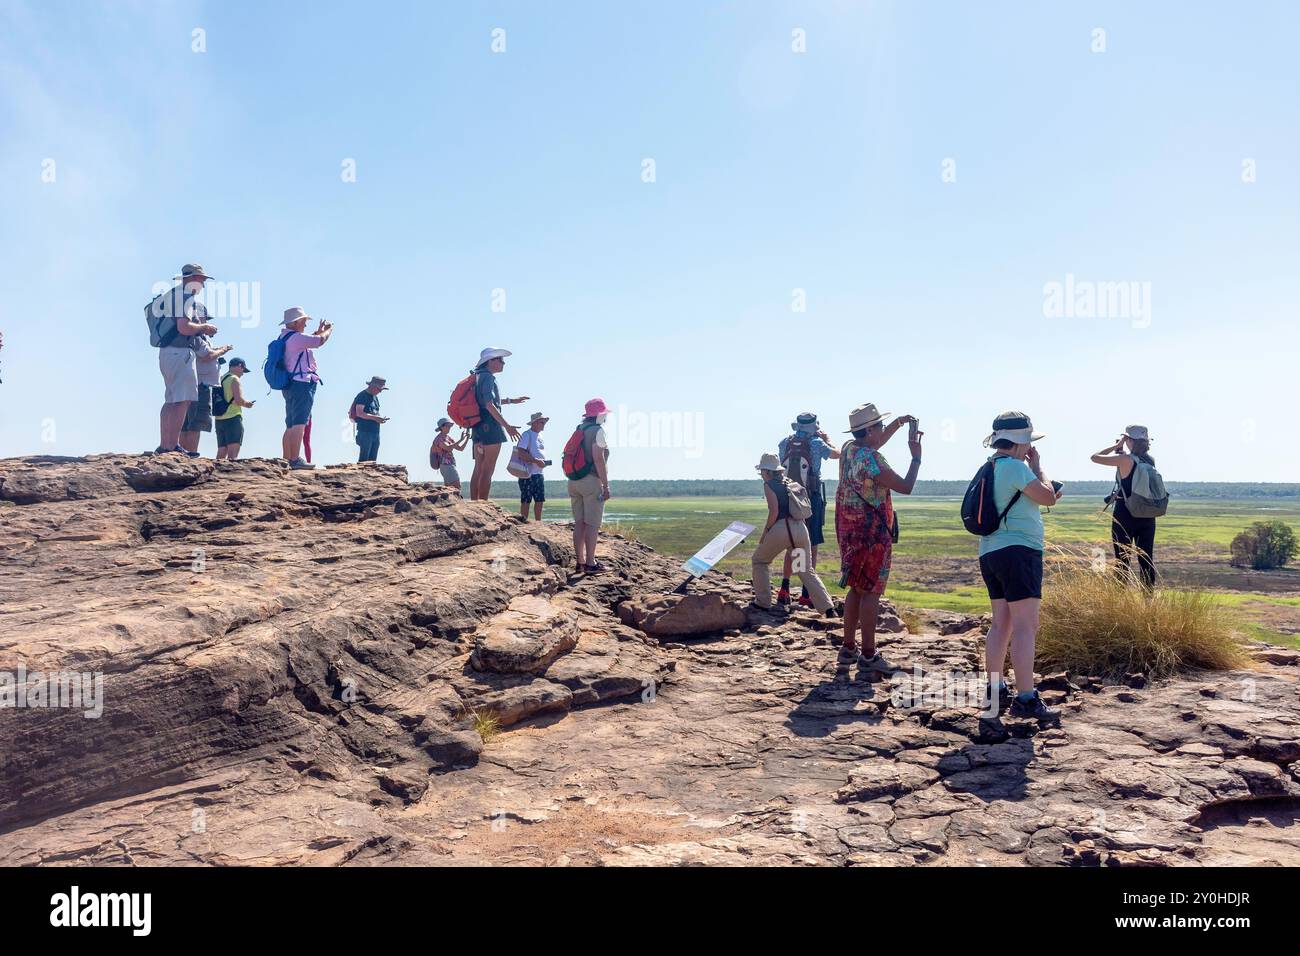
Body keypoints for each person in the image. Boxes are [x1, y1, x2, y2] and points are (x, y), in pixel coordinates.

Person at [977, 411, 1062, 722]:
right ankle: (1026, 698)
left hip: (991, 552)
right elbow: (1049, 497)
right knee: (1026, 626)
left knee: (1001, 624)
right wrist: (1038, 468)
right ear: (1020, 442)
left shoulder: (990, 466)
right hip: (1019, 552)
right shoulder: (1015, 467)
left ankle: (995, 690)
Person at [835, 404, 921, 675]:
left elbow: (876, 442)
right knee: (871, 591)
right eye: (880, 427)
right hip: (872, 532)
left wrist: (897, 424)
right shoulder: (873, 461)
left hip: (848, 530)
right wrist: (916, 457)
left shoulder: (849, 450)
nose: (883, 431)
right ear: (870, 430)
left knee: (855, 587)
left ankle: (848, 647)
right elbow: (906, 487)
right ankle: (869, 655)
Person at [750, 453, 834, 614]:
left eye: (762, 471)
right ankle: (828, 608)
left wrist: (766, 531)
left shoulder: (769, 485)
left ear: (767, 471)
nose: (761, 474)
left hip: (781, 529)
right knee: (804, 570)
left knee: (760, 561)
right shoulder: (791, 483)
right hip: (801, 530)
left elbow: (774, 511)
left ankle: (763, 602)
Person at [151, 263, 219, 456]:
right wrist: (205, 328)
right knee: (184, 399)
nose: (203, 285)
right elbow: (183, 327)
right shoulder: (186, 296)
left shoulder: (172, 294)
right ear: (193, 279)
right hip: (180, 352)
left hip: (166, 352)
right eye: (202, 280)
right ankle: (172, 445)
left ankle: (165, 444)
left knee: (171, 399)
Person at [777, 412, 841, 607]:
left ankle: (784, 588)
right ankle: (807, 592)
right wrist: (826, 437)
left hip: (789, 497)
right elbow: (838, 454)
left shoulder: (784, 443)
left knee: (793, 542)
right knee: (811, 543)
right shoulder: (816, 443)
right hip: (811, 498)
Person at [1091, 425, 1158, 589]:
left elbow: (1094, 457)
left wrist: (1115, 446)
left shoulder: (1124, 460)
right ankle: (1148, 601)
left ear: (1129, 440)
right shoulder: (1150, 460)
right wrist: (1122, 451)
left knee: (1122, 561)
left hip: (1125, 515)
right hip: (1147, 515)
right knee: (1146, 560)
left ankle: (1119, 602)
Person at [468, 347, 528, 501]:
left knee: (478, 469)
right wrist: (507, 426)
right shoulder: (488, 377)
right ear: (490, 361)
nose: (503, 363)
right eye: (500, 360)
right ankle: (483, 505)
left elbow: (484, 401)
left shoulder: (478, 376)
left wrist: (510, 401)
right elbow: (489, 404)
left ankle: (474, 503)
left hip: (477, 426)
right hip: (491, 427)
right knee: (488, 470)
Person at [277, 307, 332, 470]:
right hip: (302, 383)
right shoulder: (295, 338)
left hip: (290, 383)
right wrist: (328, 331)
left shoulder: (284, 337)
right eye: (303, 321)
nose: (305, 325)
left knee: (290, 423)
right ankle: (294, 459)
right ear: (295, 322)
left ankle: (286, 458)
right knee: (300, 422)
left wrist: (319, 332)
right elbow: (319, 342)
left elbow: (308, 341)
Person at [566, 398, 611, 573]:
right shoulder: (598, 431)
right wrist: (605, 485)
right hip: (591, 481)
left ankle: (580, 562)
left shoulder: (580, 429)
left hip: (574, 481)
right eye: (604, 413)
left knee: (580, 523)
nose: (606, 416)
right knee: (592, 524)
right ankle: (591, 564)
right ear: (599, 415)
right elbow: (598, 459)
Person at [180, 334, 233, 455]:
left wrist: (219, 349)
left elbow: (205, 352)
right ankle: (191, 454)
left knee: (186, 422)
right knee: (197, 421)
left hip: (189, 382)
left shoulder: (190, 336)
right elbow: (207, 356)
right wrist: (223, 350)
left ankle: (181, 454)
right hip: (201, 384)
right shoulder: (197, 336)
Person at [215, 357, 255, 460]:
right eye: (243, 370)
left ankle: (216, 474)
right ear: (239, 366)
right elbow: (238, 400)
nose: (242, 374)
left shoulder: (221, 378)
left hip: (219, 419)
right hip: (233, 418)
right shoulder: (234, 379)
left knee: (221, 452)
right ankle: (229, 475)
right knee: (233, 455)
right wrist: (248, 404)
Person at [515, 412, 551, 522]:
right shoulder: (527, 434)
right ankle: (523, 522)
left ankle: (538, 523)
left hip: (539, 473)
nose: (544, 424)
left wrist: (541, 462)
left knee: (540, 500)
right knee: (526, 500)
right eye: (541, 422)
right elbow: (520, 452)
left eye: (544, 422)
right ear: (534, 423)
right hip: (527, 473)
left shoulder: (540, 436)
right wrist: (536, 461)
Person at [352, 377, 390, 463]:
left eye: (381, 390)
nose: (380, 392)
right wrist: (376, 418)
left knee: (372, 462)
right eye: (379, 389)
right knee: (364, 461)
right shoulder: (362, 396)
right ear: (372, 386)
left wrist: (380, 418)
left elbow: (373, 412)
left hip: (375, 432)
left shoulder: (375, 397)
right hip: (365, 432)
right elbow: (359, 413)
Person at [430, 418, 470, 490]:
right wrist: (461, 439)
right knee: (457, 486)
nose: (449, 428)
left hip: (449, 465)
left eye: (450, 426)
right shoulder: (439, 439)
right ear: (442, 427)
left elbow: (461, 448)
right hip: (446, 466)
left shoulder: (448, 438)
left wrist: (466, 439)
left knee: (449, 489)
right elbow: (448, 448)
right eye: (447, 426)